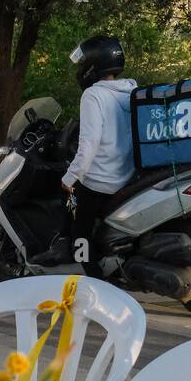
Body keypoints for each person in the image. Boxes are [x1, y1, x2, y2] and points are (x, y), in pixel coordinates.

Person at [60, 35, 136, 277]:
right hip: (129, 177)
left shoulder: (93, 95)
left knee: (79, 230)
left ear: (93, 65)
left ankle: (95, 279)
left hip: (101, 181)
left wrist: (70, 177)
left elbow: (89, 143)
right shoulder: (131, 89)